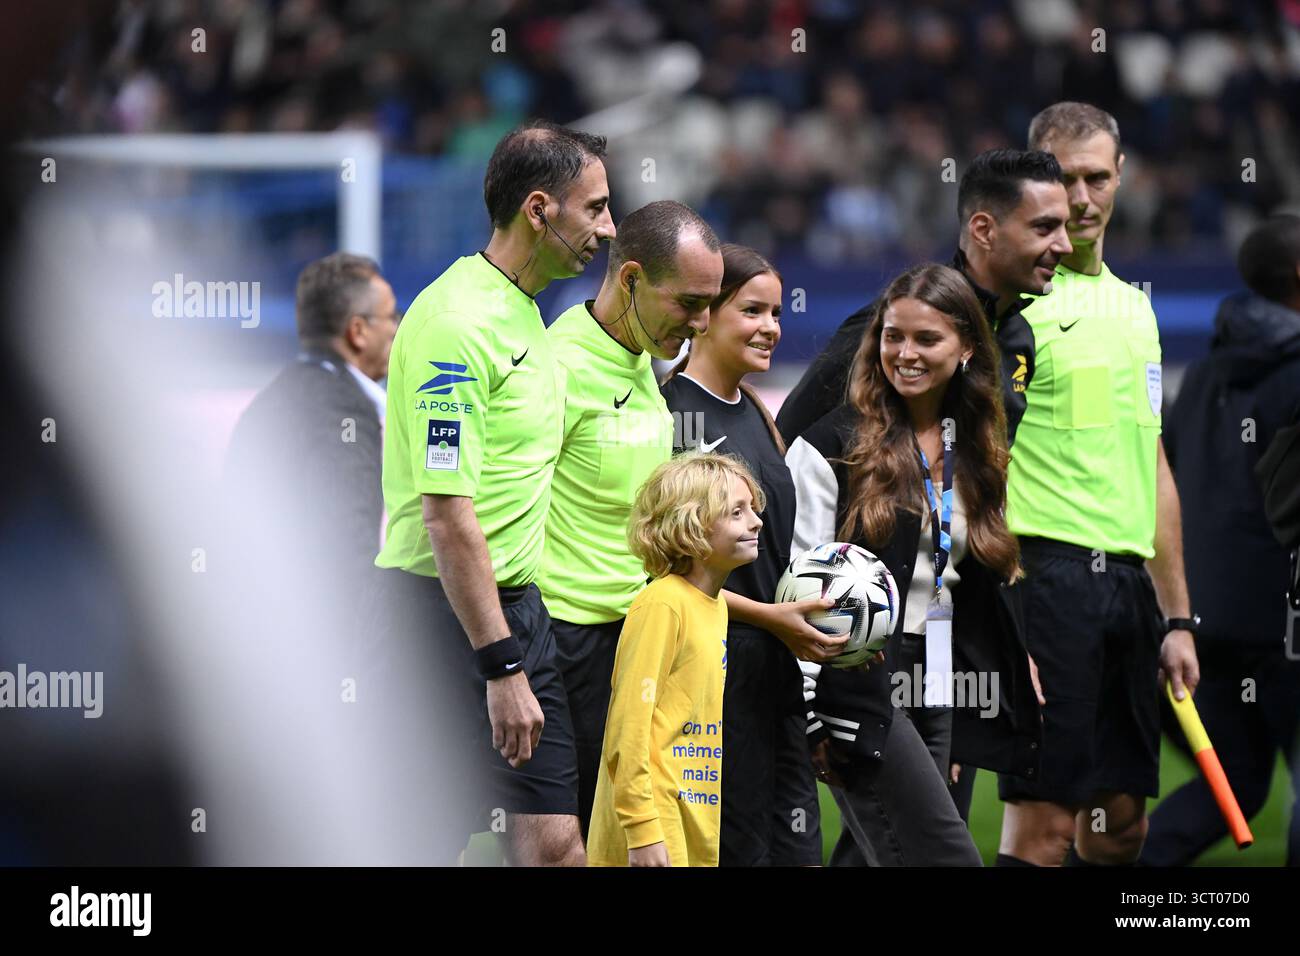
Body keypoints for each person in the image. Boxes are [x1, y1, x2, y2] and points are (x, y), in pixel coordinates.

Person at [365, 120, 616, 866]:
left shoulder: (528, 312)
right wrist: (501, 666)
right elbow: (447, 516)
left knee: (553, 844)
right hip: (438, 620)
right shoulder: (455, 323)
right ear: (540, 210)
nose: (607, 227)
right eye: (595, 208)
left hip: (517, 608)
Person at [997, 102, 1200, 867]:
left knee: (1122, 828)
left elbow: (1150, 465)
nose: (1080, 200)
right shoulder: (1011, 309)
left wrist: (1177, 619)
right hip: (1048, 583)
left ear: (1122, 178)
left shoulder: (1135, 309)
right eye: (1063, 179)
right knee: (1044, 828)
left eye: (1096, 178)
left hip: (1129, 594)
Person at [786, 263, 1043, 866]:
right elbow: (794, 590)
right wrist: (811, 719)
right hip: (855, 680)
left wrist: (1010, 658)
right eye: (892, 336)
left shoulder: (974, 444)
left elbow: (965, 583)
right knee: (948, 858)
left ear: (967, 349)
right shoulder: (829, 447)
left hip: (941, 681)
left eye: (927, 339)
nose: (904, 353)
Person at [537, 199, 723, 837]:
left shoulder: (643, 361)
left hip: (632, 639)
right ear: (632, 279)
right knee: (563, 843)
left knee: (625, 839)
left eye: (710, 304)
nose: (703, 323)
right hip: (565, 643)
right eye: (690, 303)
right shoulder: (556, 366)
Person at [1141, 213, 1300, 866]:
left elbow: (1164, 483)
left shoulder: (1204, 373)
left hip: (1201, 621)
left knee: (1233, 777)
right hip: (1285, 619)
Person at [659, 243, 826, 866]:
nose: (772, 327)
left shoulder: (759, 409)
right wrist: (767, 618)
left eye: (777, 313)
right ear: (705, 314)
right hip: (710, 677)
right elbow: (666, 577)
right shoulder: (671, 416)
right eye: (752, 310)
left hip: (774, 674)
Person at [775, 148, 1073, 450]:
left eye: (1065, 227)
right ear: (983, 231)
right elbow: (786, 439)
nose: (1065, 245)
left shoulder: (1020, 338)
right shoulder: (890, 326)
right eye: (1044, 228)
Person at [586, 452, 764, 867]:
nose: (756, 522)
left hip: (693, 822)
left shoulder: (715, 606)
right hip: (651, 830)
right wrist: (644, 830)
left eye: (752, 509)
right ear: (692, 526)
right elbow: (626, 729)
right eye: (737, 512)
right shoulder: (662, 604)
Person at [225, 252, 399, 591]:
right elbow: (348, 559)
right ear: (358, 331)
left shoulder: (277, 396)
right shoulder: (342, 410)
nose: (397, 326)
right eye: (390, 315)